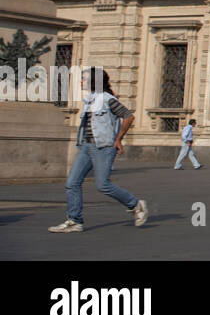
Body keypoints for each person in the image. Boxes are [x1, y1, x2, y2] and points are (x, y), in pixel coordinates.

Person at [49, 68, 148, 233]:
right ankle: (74, 221)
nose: (81, 82)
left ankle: (136, 205)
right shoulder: (89, 100)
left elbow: (129, 116)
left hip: (103, 147)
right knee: (72, 183)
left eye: (84, 79)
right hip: (86, 146)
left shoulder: (107, 99)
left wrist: (118, 139)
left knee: (102, 185)